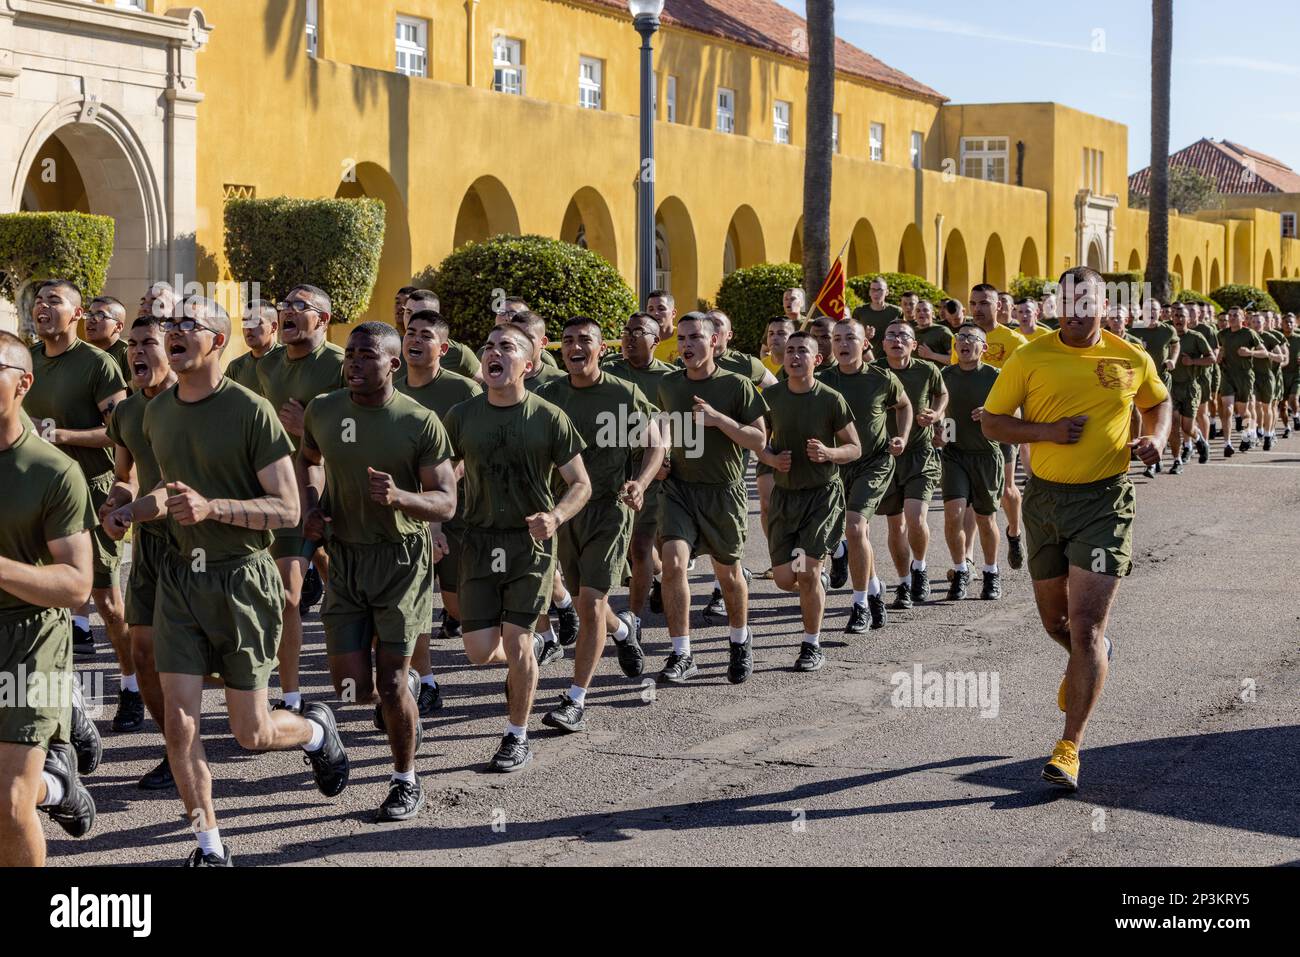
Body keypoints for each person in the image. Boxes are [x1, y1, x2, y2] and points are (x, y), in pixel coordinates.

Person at [104, 296, 350, 865]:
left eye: (193, 325)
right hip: (179, 583)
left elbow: (287, 510)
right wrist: (127, 513)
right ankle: (210, 846)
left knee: (251, 732)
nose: (176, 333)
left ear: (217, 342)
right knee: (180, 722)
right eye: (173, 325)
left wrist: (214, 508)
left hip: (242, 580)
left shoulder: (251, 412)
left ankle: (314, 733)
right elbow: (169, 491)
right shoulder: (157, 412)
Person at [981, 266, 1171, 791]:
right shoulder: (1030, 355)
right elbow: (993, 421)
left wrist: (1156, 437)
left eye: (1087, 301)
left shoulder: (1130, 356)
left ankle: (1069, 748)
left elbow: (1158, 402)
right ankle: (1095, 660)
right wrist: (1047, 431)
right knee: (1055, 624)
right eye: (1068, 300)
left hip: (1105, 501)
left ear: (1103, 306)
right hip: (1044, 502)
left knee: (1084, 625)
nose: (1078, 309)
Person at [300, 323, 456, 820]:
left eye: (366, 356)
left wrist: (401, 498)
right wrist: (313, 504)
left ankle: (405, 780)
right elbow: (309, 459)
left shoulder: (419, 420)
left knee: (388, 684)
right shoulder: (323, 410)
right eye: (349, 354)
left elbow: (447, 502)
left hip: (400, 560)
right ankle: (383, 705)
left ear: (392, 364)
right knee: (352, 689)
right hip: (345, 558)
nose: (354, 364)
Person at [442, 324, 591, 772]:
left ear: (528, 364)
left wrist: (556, 517)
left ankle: (516, 735)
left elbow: (580, 483)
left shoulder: (549, 417)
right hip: (478, 540)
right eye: (489, 346)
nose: (494, 353)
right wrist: (433, 519)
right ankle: (536, 648)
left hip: (530, 543)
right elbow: (445, 474)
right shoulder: (462, 415)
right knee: (478, 650)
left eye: (507, 347)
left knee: (518, 640)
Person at [0, 330, 99, 866]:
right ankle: (59, 785)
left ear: (23, 383)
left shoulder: (52, 471)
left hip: (30, 638)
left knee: (10, 802)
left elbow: (76, 584)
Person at [537, 317, 664, 730]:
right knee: (584, 602)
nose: (575, 347)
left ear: (601, 349)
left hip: (610, 507)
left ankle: (576, 699)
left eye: (585, 340)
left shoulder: (624, 394)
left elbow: (655, 444)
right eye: (568, 341)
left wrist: (641, 483)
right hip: (564, 508)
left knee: (590, 602)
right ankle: (624, 630)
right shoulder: (548, 395)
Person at [25, 279, 132, 746]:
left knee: (105, 603)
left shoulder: (99, 364)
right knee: (40, 601)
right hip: (35, 492)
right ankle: (58, 701)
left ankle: (130, 687)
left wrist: (60, 437)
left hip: (90, 491)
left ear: (77, 313)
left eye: (56, 302)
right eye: (40, 301)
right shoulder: (23, 360)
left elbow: (119, 433)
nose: (44, 308)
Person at [654, 312, 767, 684]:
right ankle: (682, 653)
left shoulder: (737, 386)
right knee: (672, 564)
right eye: (682, 338)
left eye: (696, 338)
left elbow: (759, 440)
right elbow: (662, 429)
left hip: (724, 492)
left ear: (714, 341)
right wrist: (662, 459)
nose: (687, 345)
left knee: (729, 574)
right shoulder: (669, 386)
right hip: (680, 490)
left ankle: (739, 639)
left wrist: (720, 420)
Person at [100, 315, 180, 789]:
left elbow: (181, 488)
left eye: (148, 342)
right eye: (132, 343)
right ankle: (176, 748)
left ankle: (305, 728)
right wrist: (117, 501)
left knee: (214, 664)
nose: (136, 351)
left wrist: (132, 512)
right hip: (151, 546)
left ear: (172, 349)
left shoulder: (193, 402)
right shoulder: (127, 412)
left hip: (204, 546)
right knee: (143, 649)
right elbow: (126, 474)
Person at [255, 284, 344, 712]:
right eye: (284, 305)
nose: (287, 312)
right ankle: (290, 699)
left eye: (299, 307)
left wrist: (306, 428)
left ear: (323, 320)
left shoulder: (342, 365)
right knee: (288, 595)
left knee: (351, 591)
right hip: (279, 497)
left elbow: (359, 432)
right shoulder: (266, 365)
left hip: (333, 494)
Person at [759, 331, 860, 670]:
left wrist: (829, 452)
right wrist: (772, 460)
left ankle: (811, 644)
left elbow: (854, 447)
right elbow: (759, 441)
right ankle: (817, 577)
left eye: (803, 350)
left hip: (821, 497)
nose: (795, 356)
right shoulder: (770, 396)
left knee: (806, 573)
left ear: (817, 360)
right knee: (785, 578)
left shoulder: (830, 399)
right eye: (790, 350)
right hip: (785, 498)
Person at [395, 309, 482, 698]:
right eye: (410, 332)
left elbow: (465, 459)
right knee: (412, 603)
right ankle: (425, 682)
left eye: (425, 335)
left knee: (459, 606)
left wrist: (436, 522)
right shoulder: (390, 388)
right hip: (400, 514)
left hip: (457, 513)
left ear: (443, 348)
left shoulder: (464, 392)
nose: (414, 339)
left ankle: (528, 638)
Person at [819, 319, 910, 631]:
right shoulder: (823, 380)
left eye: (850, 338)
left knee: (856, 529)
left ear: (864, 343)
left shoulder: (881, 378)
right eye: (838, 339)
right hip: (837, 464)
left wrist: (903, 436)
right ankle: (874, 591)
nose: (843, 344)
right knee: (857, 536)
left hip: (874, 462)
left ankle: (859, 606)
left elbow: (904, 405)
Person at [602, 313, 676, 619]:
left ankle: (632, 617)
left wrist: (664, 458)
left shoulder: (670, 378)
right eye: (626, 331)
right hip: (613, 466)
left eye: (639, 332)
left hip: (654, 467)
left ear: (656, 340)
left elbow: (673, 422)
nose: (630, 337)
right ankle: (656, 579)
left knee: (642, 545)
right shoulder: (608, 371)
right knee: (634, 547)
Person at [874, 320, 946, 609]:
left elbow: (943, 394)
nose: (896, 340)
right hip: (886, 457)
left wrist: (937, 414)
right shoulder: (875, 371)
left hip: (920, 453)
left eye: (904, 336)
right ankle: (903, 583)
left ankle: (920, 567)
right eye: (890, 335)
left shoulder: (927, 369)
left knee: (915, 518)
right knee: (895, 524)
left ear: (914, 345)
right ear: (883, 343)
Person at [960, 284, 1029, 571]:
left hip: (1001, 425)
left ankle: (1014, 532)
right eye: (973, 303)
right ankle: (966, 559)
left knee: (1005, 490)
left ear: (998, 306)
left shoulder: (1015, 342)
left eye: (984, 303)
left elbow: (1025, 386)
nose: (978, 309)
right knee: (969, 497)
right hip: (968, 428)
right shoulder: (964, 337)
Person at [937, 325, 1003, 600]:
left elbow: (1015, 411)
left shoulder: (995, 376)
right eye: (959, 338)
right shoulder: (944, 375)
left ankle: (991, 572)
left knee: (985, 519)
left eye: (971, 338)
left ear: (983, 347)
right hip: (954, 454)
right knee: (953, 514)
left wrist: (991, 412)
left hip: (986, 455)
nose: (964, 342)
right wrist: (937, 430)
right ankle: (961, 569)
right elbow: (935, 409)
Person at [1130, 299, 1179, 476]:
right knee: (1144, 417)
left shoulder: (1168, 330)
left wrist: (1172, 360)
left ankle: (1171, 454)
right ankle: (1151, 462)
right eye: (1147, 309)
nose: (1151, 313)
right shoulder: (1135, 329)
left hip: (1162, 379)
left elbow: (1175, 344)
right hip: (1142, 381)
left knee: (1166, 418)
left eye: (1154, 310)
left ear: (1160, 312)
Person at [1167, 303, 1213, 470]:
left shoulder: (1196, 337)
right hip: (1171, 387)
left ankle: (1200, 439)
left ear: (1189, 319)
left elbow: (1212, 358)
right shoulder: (1167, 336)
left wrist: (1193, 361)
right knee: (1173, 425)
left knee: (1187, 427)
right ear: (1171, 318)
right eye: (1176, 316)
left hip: (1190, 387)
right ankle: (1177, 460)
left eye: (1182, 316)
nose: (1178, 319)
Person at [1216, 306, 1264, 458]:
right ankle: (1227, 443)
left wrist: (1250, 352)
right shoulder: (1222, 334)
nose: (1231, 318)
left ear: (1243, 318)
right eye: (1230, 315)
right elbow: (1220, 351)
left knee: (1244, 412)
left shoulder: (1249, 333)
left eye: (1236, 315)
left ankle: (1247, 434)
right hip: (1227, 374)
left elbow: (1263, 352)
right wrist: (1219, 356)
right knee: (1228, 409)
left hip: (1244, 375)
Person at [401, 289, 481, 379]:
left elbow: (486, 385)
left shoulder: (458, 353)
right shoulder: (392, 348)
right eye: (408, 312)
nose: (412, 319)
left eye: (421, 314)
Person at [225, 300, 281, 393]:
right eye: (245, 322)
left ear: (273, 327)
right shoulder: (236, 367)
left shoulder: (289, 362)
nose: (248, 328)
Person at [852, 275, 904, 356]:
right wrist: (865, 336)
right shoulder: (859, 311)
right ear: (869, 292)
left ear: (886, 292)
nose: (876, 293)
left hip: (890, 359)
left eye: (880, 290)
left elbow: (903, 335)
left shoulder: (896, 312)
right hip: (866, 359)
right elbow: (853, 337)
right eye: (873, 290)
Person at [85, 296, 132, 383]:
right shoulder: (81, 354)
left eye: (100, 315)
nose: (91, 320)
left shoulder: (128, 354)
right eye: (90, 314)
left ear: (118, 327)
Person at [913, 299, 953, 366]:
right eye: (918, 311)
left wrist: (932, 355)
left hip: (940, 375)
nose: (921, 313)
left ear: (933, 314)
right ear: (915, 314)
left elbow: (957, 359)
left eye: (925, 310)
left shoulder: (942, 331)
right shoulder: (910, 332)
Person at [647, 290, 679, 363]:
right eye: (651, 309)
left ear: (673, 313)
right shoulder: (643, 341)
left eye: (661, 309)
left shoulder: (684, 338)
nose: (655, 313)